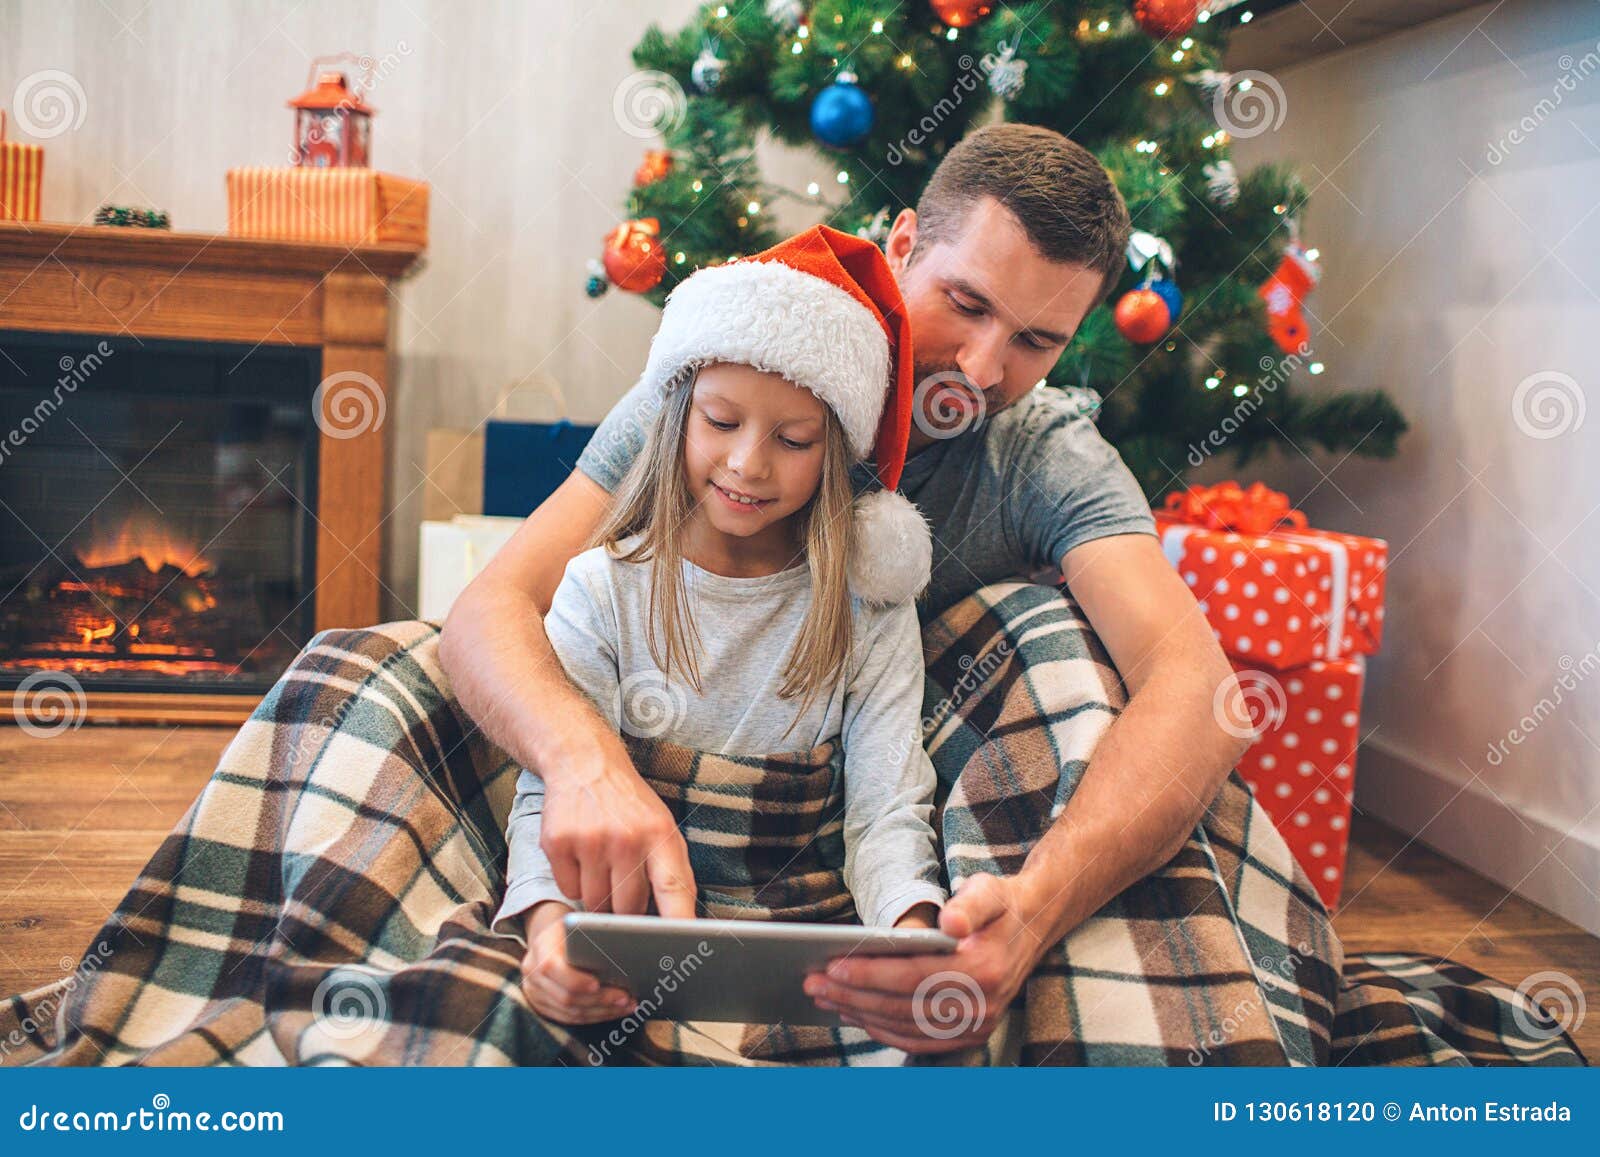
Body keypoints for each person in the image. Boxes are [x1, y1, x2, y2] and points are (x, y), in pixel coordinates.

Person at [442, 123, 1250, 1055]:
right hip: (664, 742)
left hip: (884, 773)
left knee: (1055, 642)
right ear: (902, 243)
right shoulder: (740, 359)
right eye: (966, 303)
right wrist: (585, 765)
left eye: (1035, 341)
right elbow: (494, 605)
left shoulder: (1048, 455)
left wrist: (1029, 914)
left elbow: (1200, 689)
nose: (983, 371)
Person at [496, 225, 950, 1027]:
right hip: (625, 952)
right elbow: (548, 801)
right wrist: (545, 935)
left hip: (806, 946)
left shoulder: (868, 606)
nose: (747, 463)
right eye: (721, 421)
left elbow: (886, 810)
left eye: (793, 438)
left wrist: (909, 939)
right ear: (676, 417)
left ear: (835, 453)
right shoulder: (601, 588)